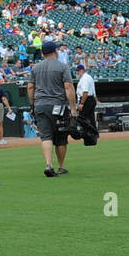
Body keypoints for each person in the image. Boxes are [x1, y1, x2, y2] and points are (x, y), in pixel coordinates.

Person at [28, 41, 78, 177]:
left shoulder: (36, 68)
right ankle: (61, 167)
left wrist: (32, 104)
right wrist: (73, 109)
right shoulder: (62, 66)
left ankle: (48, 165)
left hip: (41, 105)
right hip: (59, 106)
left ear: (43, 53)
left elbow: (30, 87)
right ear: (55, 52)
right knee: (61, 137)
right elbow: (68, 87)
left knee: (46, 136)